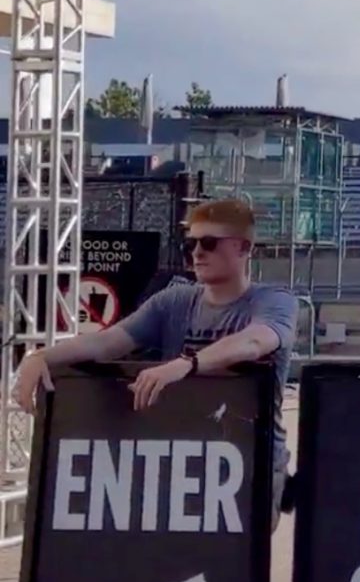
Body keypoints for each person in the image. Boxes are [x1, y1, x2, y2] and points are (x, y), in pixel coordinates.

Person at [11, 197, 299, 529]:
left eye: (209, 242)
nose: (197, 252)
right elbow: (108, 342)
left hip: (251, 463)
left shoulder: (273, 300)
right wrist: (41, 357)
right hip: (182, 459)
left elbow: (255, 341)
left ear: (243, 248)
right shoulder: (174, 300)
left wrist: (187, 363)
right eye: (190, 242)